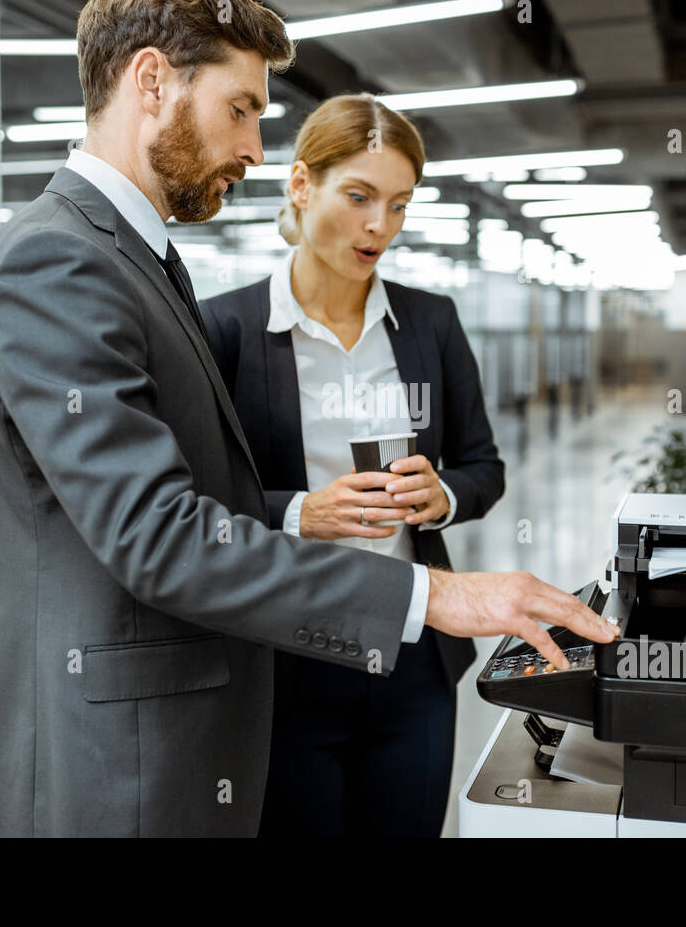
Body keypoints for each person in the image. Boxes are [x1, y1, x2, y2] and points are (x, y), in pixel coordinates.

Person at [0, 0, 618, 837]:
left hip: (179, 732)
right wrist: (436, 595)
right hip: (112, 763)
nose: (257, 148)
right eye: (242, 109)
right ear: (152, 82)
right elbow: (162, 536)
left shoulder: (137, 262)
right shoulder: (59, 262)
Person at [202, 94, 503, 837]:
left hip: (414, 658)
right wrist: (302, 511)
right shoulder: (227, 328)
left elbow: (483, 466)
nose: (380, 227)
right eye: (360, 197)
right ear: (302, 185)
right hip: (289, 662)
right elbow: (199, 501)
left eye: (399, 205)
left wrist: (443, 496)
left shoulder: (429, 322)